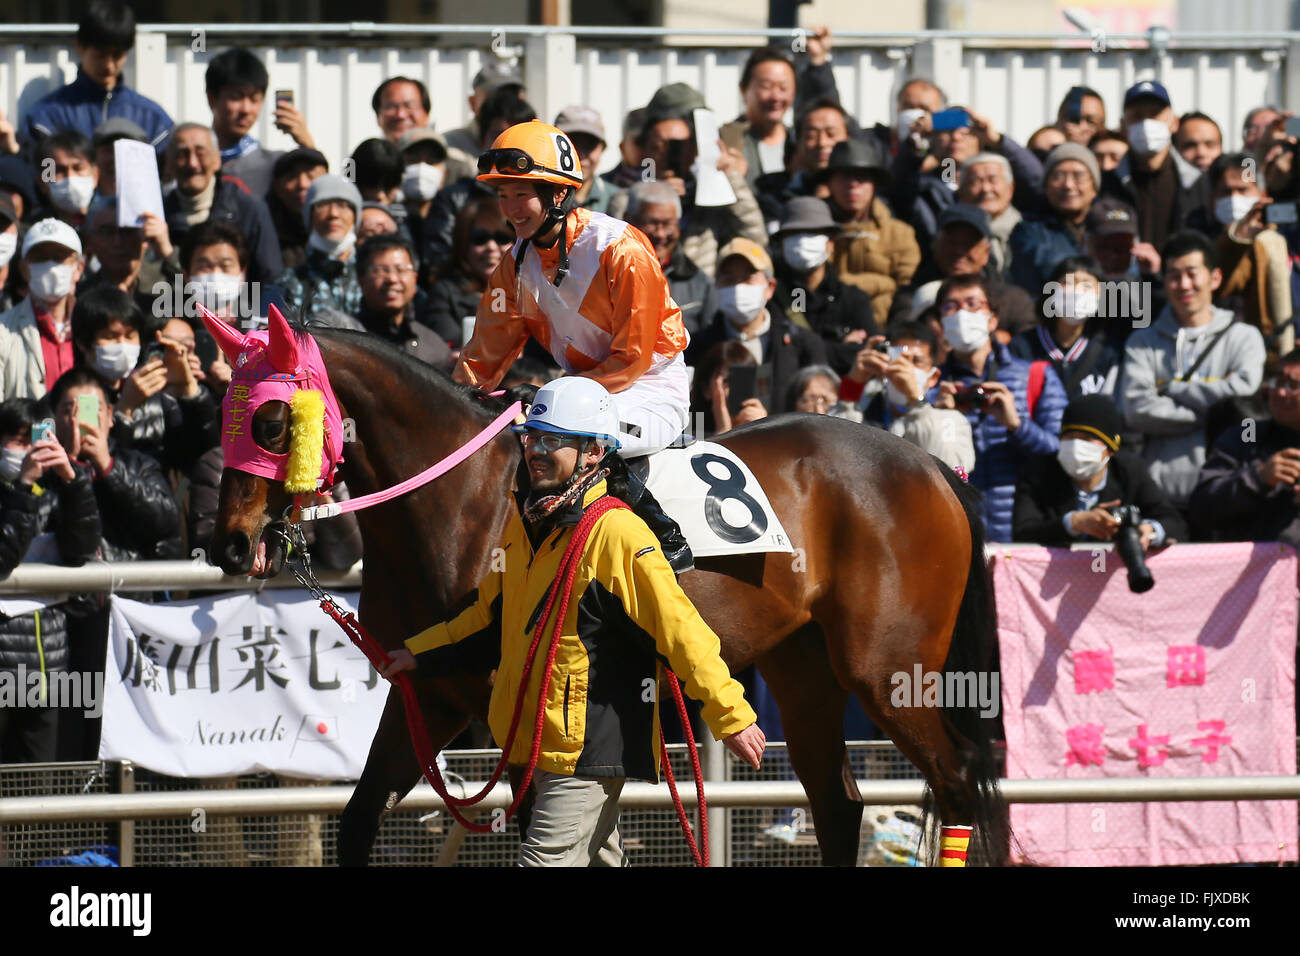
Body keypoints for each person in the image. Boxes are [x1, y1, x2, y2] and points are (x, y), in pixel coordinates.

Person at [382, 376, 765, 867]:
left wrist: (730, 714)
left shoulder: (617, 532)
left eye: (555, 440)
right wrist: (417, 652)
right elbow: (488, 619)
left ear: (591, 454)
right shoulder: (529, 524)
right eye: (533, 438)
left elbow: (682, 630)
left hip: (584, 749)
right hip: (550, 743)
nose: (538, 451)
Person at [456, 120, 697, 570]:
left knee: (571, 433)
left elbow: (631, 361)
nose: (510, 209)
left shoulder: (620, 248)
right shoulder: (514, 267)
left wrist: (557, 395)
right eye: (502, 195)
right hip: (580, 393)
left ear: (558, 194)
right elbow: (480, 362)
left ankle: (667, 537)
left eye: (520, 194)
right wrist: (451, 412)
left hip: (648, 390)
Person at [1119, 231, 1267, 511]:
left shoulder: (1244, 337)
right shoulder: (1142, 341)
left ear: (1215, 278)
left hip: (1230, 491)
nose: (1183, 284)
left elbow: (1243, 395)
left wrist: (1170, 389)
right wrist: (1216, 410)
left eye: (1192, 273)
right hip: (1162, 496)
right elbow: (1137, 408)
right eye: (1174, 275)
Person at [0, 397, 101, 764]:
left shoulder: (59, 492)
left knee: (36, 783)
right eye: (15, 438)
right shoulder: (20, 491)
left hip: (46, 668)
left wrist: (72, 480)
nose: (27, 450)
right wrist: (23, 487)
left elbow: (82, 549)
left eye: (36, 437)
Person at [932, 273, 1068, 541]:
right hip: (954, 536)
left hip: (1024, 533)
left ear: (993, 320)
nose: (962, 314)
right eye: (951, 307)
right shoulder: (932, 388)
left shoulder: (1035, 377)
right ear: (941, 323)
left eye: (973, 304)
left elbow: (1063, 454)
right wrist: (934, 419)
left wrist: (1017, 426)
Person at [606, 85, 767, 279]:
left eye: (679, 146)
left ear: (695, 148)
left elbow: (756, 237)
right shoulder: (625, 198)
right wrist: (654, 198)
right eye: (659, 146)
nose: (668, 154)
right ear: (645, 150)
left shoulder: (711, 199)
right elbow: (612, 250)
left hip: (697, 300)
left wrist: (728, 177)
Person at [1013, 394, 1187, 545]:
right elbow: (1023, 532)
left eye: (1087, 439)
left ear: (1110, 449)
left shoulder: (1130, 471)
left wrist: (1149, 531)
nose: (1075, 446)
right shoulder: (1038, 473)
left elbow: (1174, 522)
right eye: (1069, 437)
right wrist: (1074, 522)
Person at [687, 238, 827, 418]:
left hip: (787, 444)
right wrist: (716, 436)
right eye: (728, 279)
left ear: (770, 287)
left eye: (748, 277)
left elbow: (821, 413)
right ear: (717, 285)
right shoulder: (696, 348)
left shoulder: (803, 344)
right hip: (715, 443)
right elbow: (690, 419)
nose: (738, 287)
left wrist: (768, 428)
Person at [21, 1, 172, 154]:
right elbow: (40, 172)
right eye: (100, 54)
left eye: (116, 55)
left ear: (127, 53)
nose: (108, 65)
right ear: (80, 46)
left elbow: (165, 174)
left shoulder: (153, 119)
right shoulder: (47, 117)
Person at [1191, 348, 1300, 551]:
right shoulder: (1246, 435)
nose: (1279, 392)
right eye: (1277, 381)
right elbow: (1202, 507)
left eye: (1292, 385)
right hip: (1249, 574)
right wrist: (1257, 479)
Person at [841, 320, 975, 472]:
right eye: (899, 359)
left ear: (933, 377)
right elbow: (833, 454)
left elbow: (949, 474)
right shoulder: (861, 414)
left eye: (917, 362)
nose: (906, 369)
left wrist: (916, 402)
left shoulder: (950, 420)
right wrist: (852, 386)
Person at [162, 124, 283, 284]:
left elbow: (271, 279)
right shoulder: (159, 213)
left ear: (217, 159)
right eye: (182, 154)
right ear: (169, 163)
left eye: (201, 153)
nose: (192, 163)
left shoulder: (248, 207)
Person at [769, 196, 877, 375]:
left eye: (812, 233)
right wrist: (840, 349)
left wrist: (801, 347)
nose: (803, 241)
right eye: (793, 234)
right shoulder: (770, 297)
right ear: (781, 244)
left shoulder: (853, 299)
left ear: (831, 243)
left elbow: (870, 355)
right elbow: (774, 354)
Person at [1100, 81, 1211, 250]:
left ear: (1174, 123)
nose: (1146, 124)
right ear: (1123, 125)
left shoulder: (1198, 182)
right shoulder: (1107, 184)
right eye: (1137, 116)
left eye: (1154, 114)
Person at [817, 138, 919, 322]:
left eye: (861, 178)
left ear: (874, 185)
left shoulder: (900, 233)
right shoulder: (814, 232)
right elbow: (815, 287)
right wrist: (885, 283)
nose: (852, 185)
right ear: (829, 183)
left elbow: (907, 290)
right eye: (844, 177)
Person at [1206, 151, 1294, 361]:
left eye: (1243, 189)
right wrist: (1239, 236)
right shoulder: (1202, 241)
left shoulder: (1281, 237)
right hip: (1227, 355)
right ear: (1212, 199)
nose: (1234, 198)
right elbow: (1224, 286)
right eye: (1225, 191)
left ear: (1262, 193)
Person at [206, 47, 317, 199]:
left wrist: (308, 146)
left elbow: (316, 200)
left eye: (254, 99)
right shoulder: (189, 161)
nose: (246, 109)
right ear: (212, 99)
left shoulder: (276, 167)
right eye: (236, 97)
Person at [1010, 255, 1120, 398]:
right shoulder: (1022, 347)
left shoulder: (1107, 352)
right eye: (1068, 283)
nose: (1077, 292)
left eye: (1087, 285)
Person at [0, 219, 85, 400]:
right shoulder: (3, 330)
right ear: (24, 269)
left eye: (59, 257)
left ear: (79, 268)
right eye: (40, 258)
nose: (51, 266)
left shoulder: (94, 324)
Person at [625, 181, 716, 340]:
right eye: (651, 223)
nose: (660, 234)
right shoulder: (605, 275)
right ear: (628, 220)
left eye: (668, 224)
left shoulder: (698, 282)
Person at [423, 195, 515, 351]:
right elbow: (447, 343)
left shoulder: (534, 288)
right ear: (463, 244)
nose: (491, 247)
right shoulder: (444, 294)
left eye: (502, 238)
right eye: (480, 239)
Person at [1008, 143, 1098, 294]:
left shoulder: (1109, 227)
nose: (1068, 185)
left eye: (1078, 176)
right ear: (1046, 187)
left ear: (1094, 187)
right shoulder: (1029, 232)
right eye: (1058, 176)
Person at [352, 235, 452, 369]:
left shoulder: (434, 347)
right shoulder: (345, 339)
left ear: (415, 279)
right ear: (360, 280)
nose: (392, 279)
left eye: (401, 270)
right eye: (381, 270)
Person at [277, 174, 364, 322]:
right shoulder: (292, 281)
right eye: (322, 205)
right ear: (309, 216)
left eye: (343, 205)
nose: (333, 214)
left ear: (355, 217)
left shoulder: (370, 274)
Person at [1083, 197, 1164, 350]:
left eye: (1122, 247)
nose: (1113, 255)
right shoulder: (1070, 285)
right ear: (1087, 245)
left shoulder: (1145, 287)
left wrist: (1155, 279)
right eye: (1104, 246)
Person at [443, 62, 525, 158]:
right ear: (472, 103)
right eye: (495, 96)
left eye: (512, 95)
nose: (505, 102)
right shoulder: (448, 145)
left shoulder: (537, 140)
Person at [265, 147, 328, 272]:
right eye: (291, 177)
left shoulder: (339, 230)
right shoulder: (265, 235)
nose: (302, 184)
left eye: (311, 176)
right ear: (277, 187)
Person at [958, 152, 1020, 277]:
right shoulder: (952, 236)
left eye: (993, 180)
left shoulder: (1032, 232)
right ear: (962, 190)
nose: (986, 189)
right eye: (975, 181)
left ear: (1010, 188)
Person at [554, 106, 619, 215]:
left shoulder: (616, 199)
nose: (581, 154)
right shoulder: (537, 198)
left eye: (590, 145)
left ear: (602, 149)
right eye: (571, 143)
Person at [33, 131, 98, 228]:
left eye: (78, 168)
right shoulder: (32, 230)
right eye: (59, 170)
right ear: (42, 182)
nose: (70, 176)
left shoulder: (111, 225)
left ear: (95, 175)